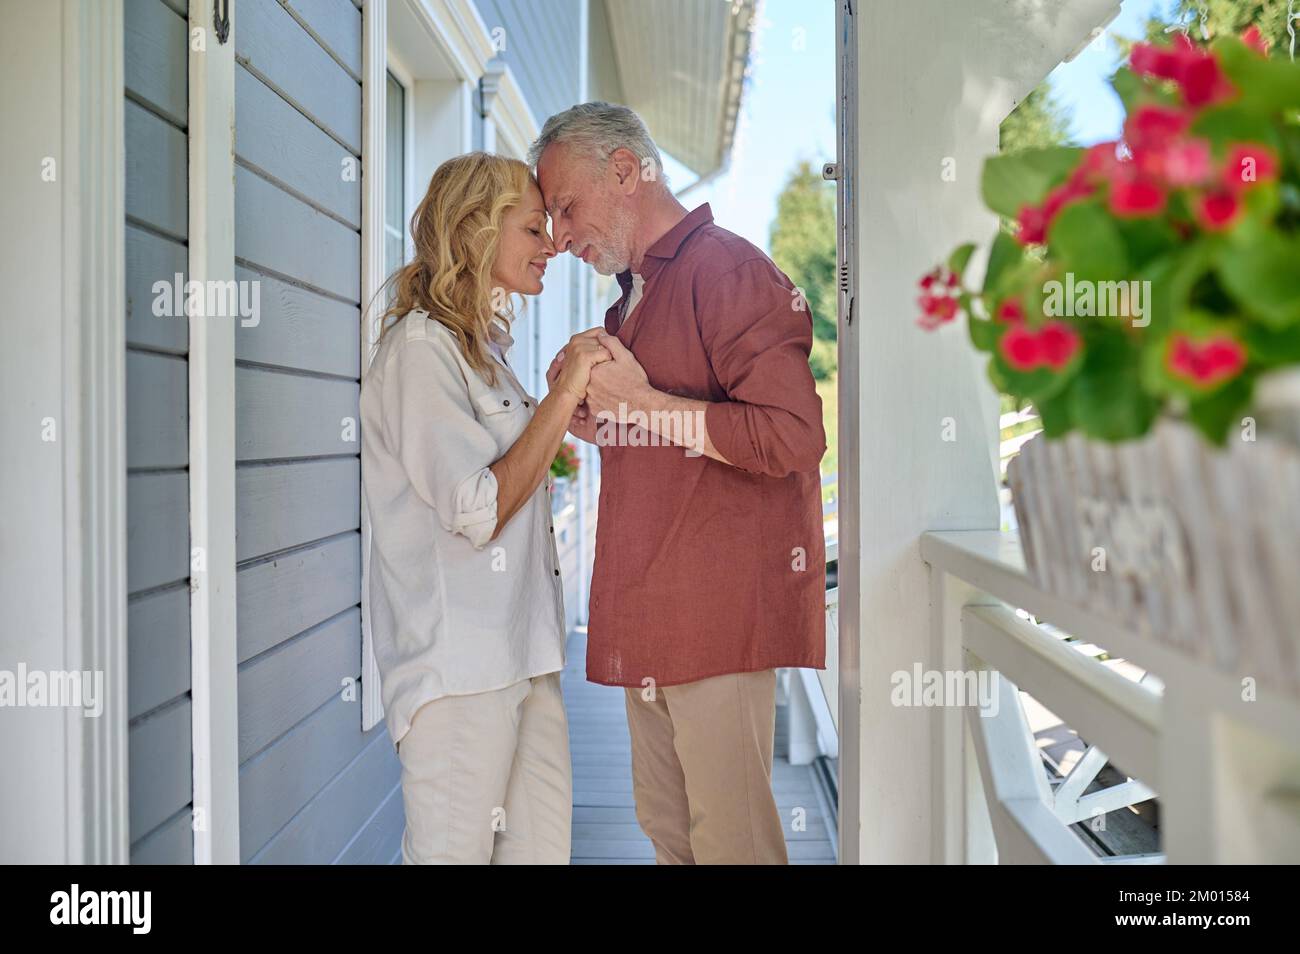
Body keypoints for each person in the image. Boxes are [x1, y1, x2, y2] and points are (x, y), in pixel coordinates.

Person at [531, 103, 828, 864]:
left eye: (565, 207)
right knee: (672, 841)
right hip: (650, 619)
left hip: (717, 625)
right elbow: (674, 440)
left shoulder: (725, 269)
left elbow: (793, 437)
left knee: (734, 850)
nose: (558, 237)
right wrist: (603, 421)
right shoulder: (631, 300)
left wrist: (646, 405)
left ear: (625, 171)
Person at [360, 152, 610, 864]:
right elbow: (476, 509)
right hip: (460, 672)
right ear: (476, 229)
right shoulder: (419, 352)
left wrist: (562, 411)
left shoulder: (482, 353)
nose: (553, 244)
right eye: (534, 229)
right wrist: (561, 400)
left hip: (525, 656)